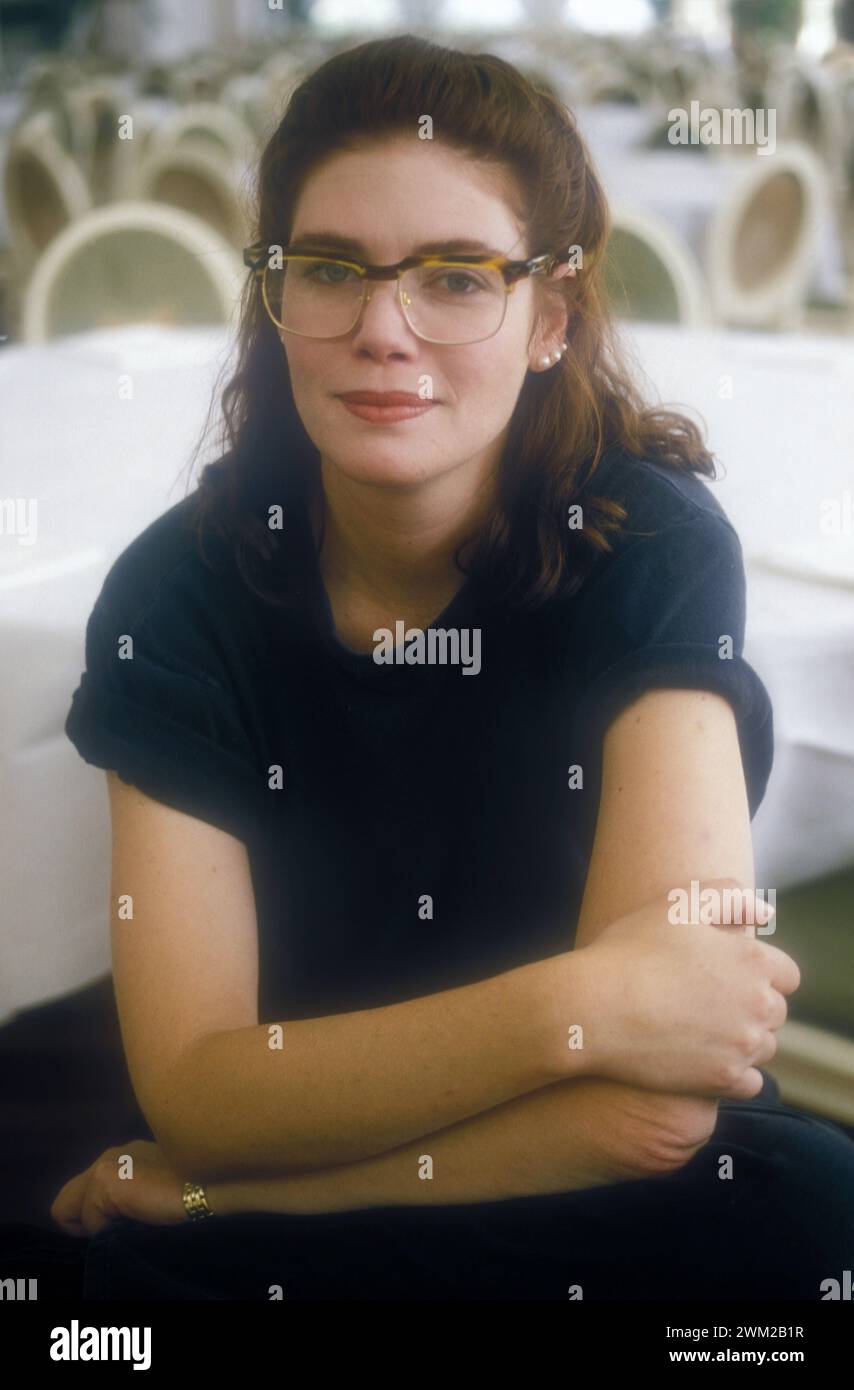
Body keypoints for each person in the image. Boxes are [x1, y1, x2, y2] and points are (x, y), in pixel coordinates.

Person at [4, 34, 854, 1302]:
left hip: (564, 1191)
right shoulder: (173, 593)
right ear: (274, 297)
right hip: (330, 1152)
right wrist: (590, 1001)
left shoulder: (649, 544)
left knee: (798, 1226)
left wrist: (223, 1190)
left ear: (548, 316)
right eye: (332, 269)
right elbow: (196, 1089)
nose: (383, 331)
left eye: (457, 279)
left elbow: (647, 1119)